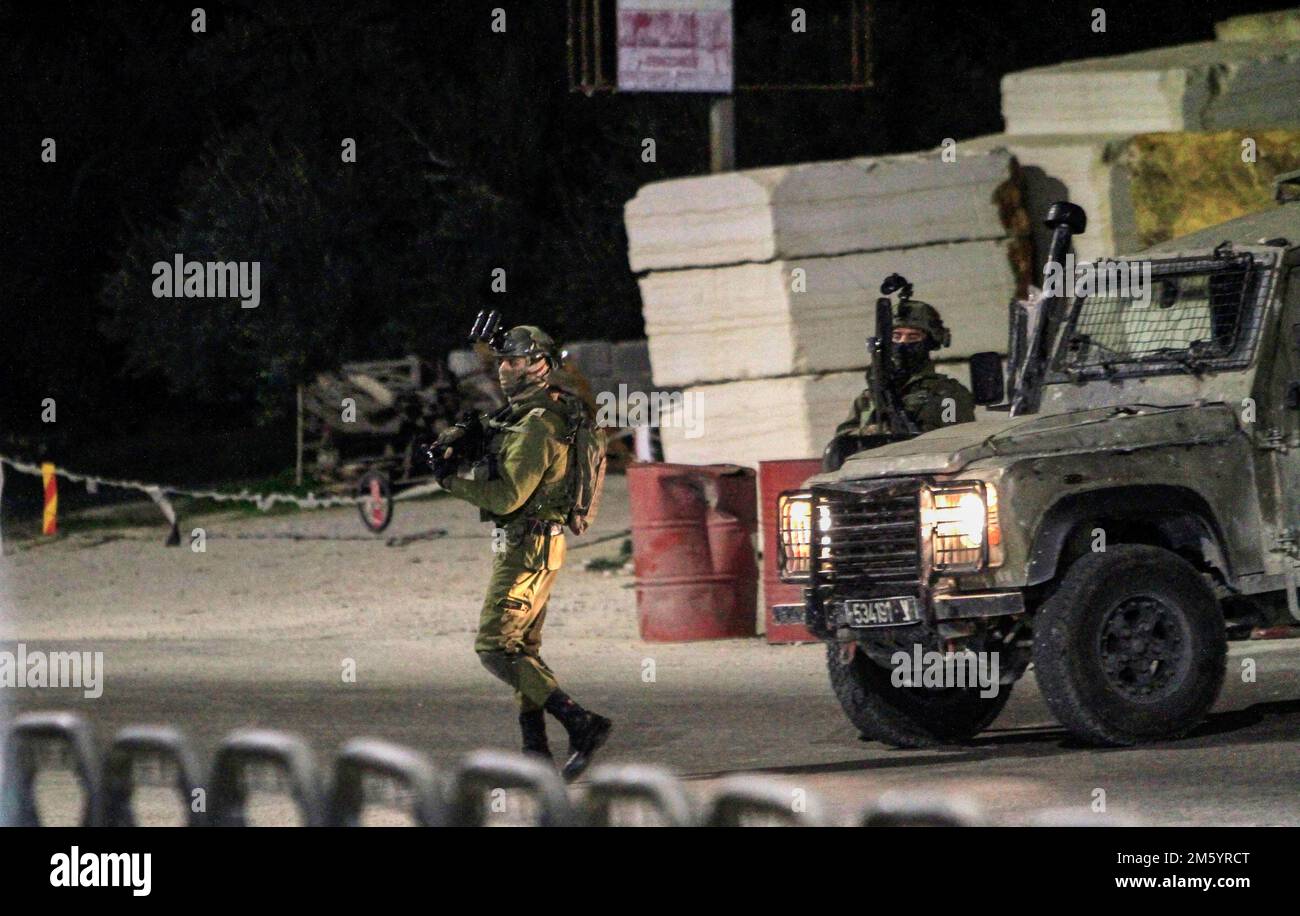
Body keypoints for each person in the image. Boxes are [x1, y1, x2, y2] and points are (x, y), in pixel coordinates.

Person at [431, 324, 613, 781]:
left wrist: (450, 480)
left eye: (515, 361)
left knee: (494, 648)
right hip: (534, 545)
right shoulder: (533, 414)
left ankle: (581, 723)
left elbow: (507, 496)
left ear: (541, 365)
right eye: (503, 362)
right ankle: (535, 753)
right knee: (521, 649)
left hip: (528, 548)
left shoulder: (537, 425)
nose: (506, 369)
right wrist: (461, 435)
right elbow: (489, 432)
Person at [828, 301, 975, 466]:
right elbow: (842, 442)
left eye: (913, 337)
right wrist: (871, 433)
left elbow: (959, 442)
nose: (903, 343)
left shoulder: (948, 394)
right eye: (896, 336)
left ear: (929, 342)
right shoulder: (869, 397)